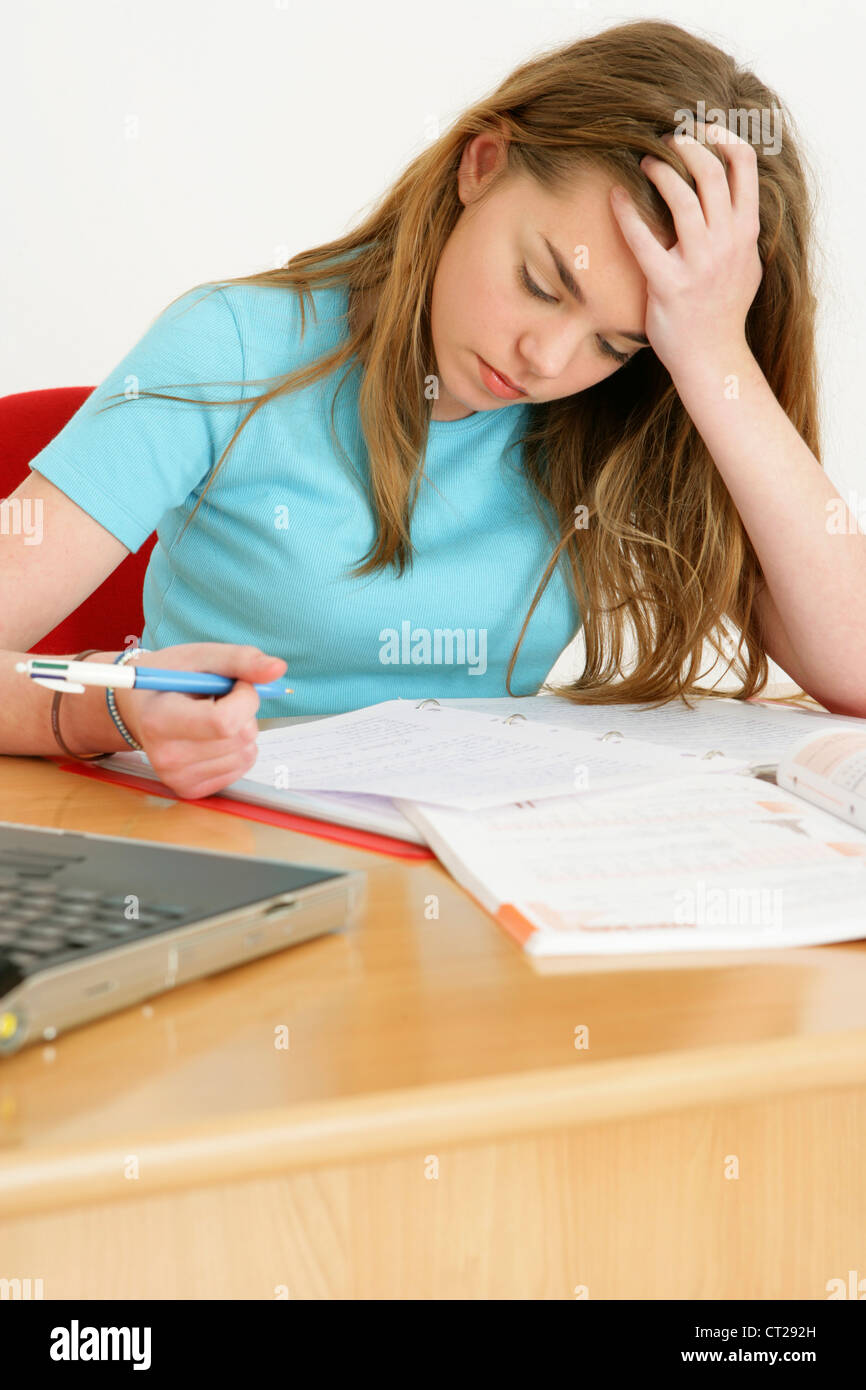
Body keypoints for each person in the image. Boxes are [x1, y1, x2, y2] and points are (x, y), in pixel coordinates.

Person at [3, 18, 864, 803]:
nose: (547, 361)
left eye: (618, 343)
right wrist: (108, 712)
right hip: (241, 849)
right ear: (480, 165)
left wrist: (712, 356)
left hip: (470, 869)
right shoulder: (229, 348)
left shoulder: (620, 412)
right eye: (542, 283)